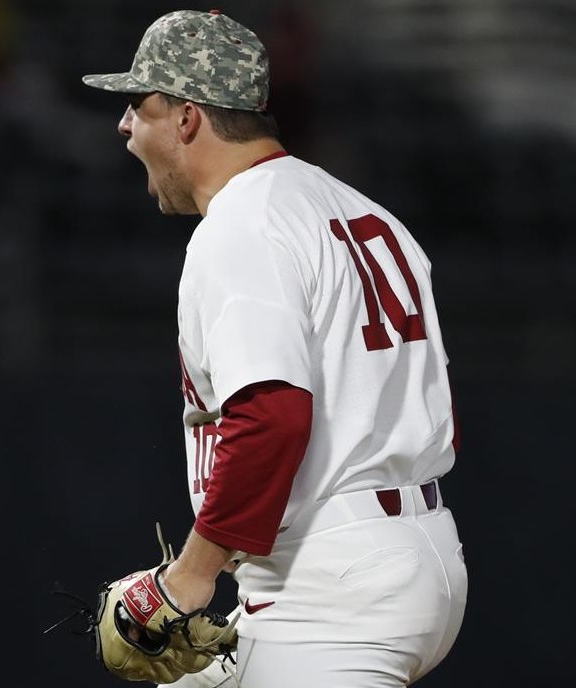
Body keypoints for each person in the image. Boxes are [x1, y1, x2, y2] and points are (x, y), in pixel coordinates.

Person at [81, 10, 467, 687]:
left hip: (334, 586)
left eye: (138, 105)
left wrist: (185, 581)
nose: (124, 125)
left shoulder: (244, 225)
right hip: (412, 548)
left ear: (187, 118)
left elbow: (272, 418)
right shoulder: (362, 213)